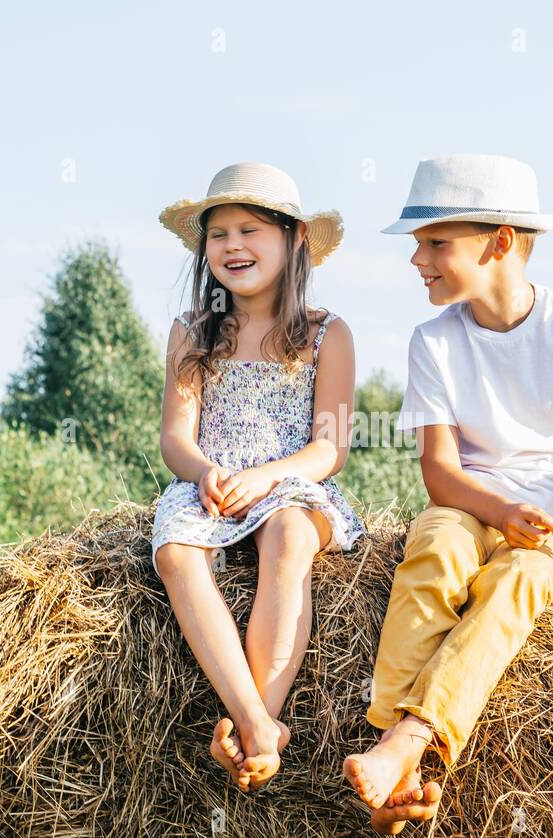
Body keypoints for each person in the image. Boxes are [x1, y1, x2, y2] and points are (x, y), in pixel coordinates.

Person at [344, 154, 553, 833]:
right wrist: (497, 509)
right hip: (467, 506)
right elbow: (440, 474)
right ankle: (403, 772)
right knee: (437, 555)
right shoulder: (434, 343)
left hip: (552, 528)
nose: (417, 259)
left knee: (516, 582)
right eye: (418, 244)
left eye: (435, 243)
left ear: (500, 242)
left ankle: (405, 744)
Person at [153, 162, 365, 792]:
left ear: (295, 240)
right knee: (173, 552)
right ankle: (253, 720)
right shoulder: (192, 330)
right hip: (212, 486)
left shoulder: (328, 333)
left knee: (290, 536)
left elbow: (330, 446)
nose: (233, 246)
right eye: (218, 235)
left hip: (293, 485)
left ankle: (260, 725)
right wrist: (204, 471)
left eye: (250, 230)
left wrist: (271, 477)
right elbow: (174, 438)